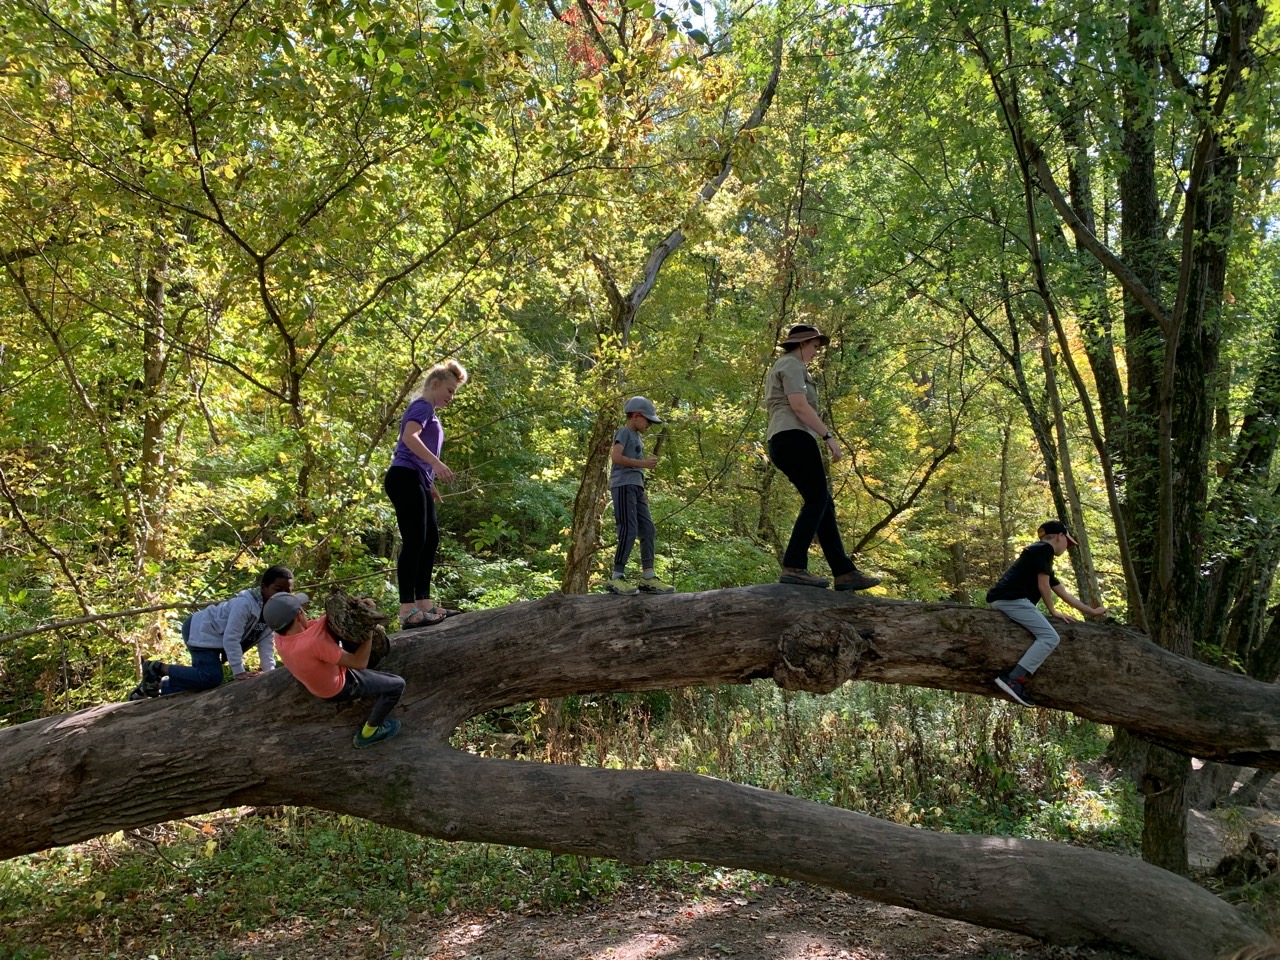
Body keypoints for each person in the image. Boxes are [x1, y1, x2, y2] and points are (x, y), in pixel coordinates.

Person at [765, 324, 879, 591]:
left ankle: (843, 572)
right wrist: (828, 436)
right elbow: (799, 405)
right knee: (817, 499)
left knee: (823, 502)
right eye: (815, 346)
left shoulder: (788, 366)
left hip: (783, 439)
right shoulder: (791, 365)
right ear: (803, 343)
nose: (816, 352)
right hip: (794, 438)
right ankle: (794, 565)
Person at [384, 360, 467, 630]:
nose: (451, 397)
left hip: (416, 479)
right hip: (403, 477)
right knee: (415, 541)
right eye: (450, 390)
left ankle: (424, 604)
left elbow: (411, 450)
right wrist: (436, 463)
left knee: (429, 540)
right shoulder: (422, 406)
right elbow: (409, 438)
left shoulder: (430, 411)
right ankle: (407, 609)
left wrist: (429, 482)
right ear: (434, 384)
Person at [130, 565, 295, 700]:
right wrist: (240, 672)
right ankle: (157, 668)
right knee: (211, 677)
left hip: (215, 638)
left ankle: (155, 688)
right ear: (264, 587)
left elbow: (265, 644)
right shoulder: (244, 605)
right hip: (201, 629)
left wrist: (269, 672)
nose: (282, 595)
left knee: (204, 679)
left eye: (287, 591)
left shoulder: (272, 612)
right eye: (277, 589)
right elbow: (231, 638)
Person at [988, 519, 1106, 707]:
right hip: (1012, 600)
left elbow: (1062, 592)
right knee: (1050, 637)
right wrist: (1053, 611)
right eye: (1067, 542)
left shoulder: (1038, 555)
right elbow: (1043, 586)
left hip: (1007, 600)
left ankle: (1014, 679)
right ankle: (1013, 679)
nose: (1067, 548)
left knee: (1047, 635)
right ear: (1059, 536)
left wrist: (1091, 611)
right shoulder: (1044, 551)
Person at [265, 591, 405, 749]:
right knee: (397, 685)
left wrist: (353, 609)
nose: (305, 611)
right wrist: (369, 628)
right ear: (298, 614)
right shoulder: (314, 643)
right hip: (340, 688)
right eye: (303, 609)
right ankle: (369, 733)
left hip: (318, 683)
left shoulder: (280, 637)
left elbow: (319, 625)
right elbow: (359, 663)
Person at [606, 396, 675, 595]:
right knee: (628, 529)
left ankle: (648, 577)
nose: (650, 426)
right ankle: (617, 577)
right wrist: (644, 464)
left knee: (648, 529)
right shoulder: (624, 432)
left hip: (635, 487)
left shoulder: (637, 436)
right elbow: (616, 457)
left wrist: (642, 489)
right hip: (623, 486)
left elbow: (634, 466)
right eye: (648, 421)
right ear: (636, 416)